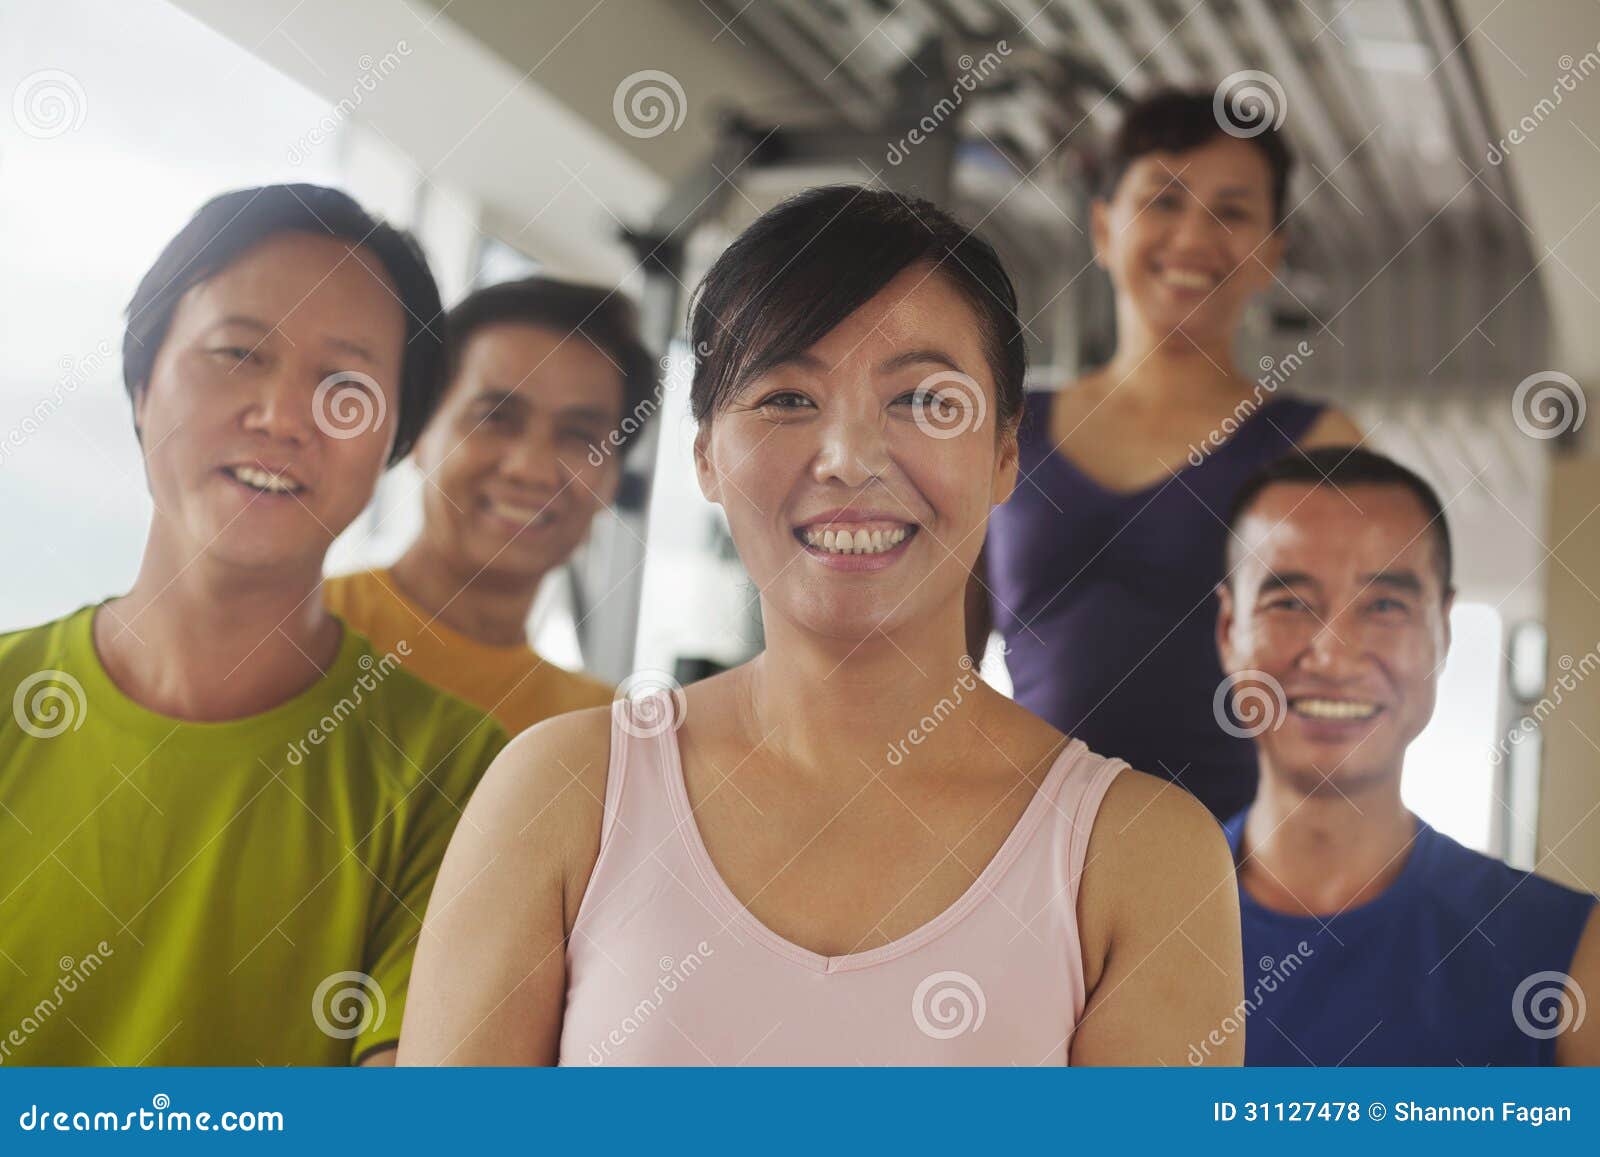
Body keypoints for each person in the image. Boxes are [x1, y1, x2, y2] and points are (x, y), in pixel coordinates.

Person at [397, 186, 1243, 1067]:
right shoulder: (562, 794)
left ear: (1002, 453)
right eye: (788, 398)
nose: (849, 460)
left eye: (925, 401)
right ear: (705, 457)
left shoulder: (1140, 859)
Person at [0, 185, 506, 1066]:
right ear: (140, 383)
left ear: (394, 442)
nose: (281, 416)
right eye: (237, 353)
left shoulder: (463, 779)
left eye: (346, 385)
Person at [977, 89, 1363, 822]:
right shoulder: (1008, 428)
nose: (1194, 236)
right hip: (1027, 857)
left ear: (1271, 252)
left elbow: (1345, 685)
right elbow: (941, 666)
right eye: (1164, 200)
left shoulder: (1318, 446)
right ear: (1102, 227)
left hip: (1233, 879)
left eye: (1233, 211)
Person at [1215, 447, 1598, 1065]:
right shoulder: (1126, 933)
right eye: (1288, 603)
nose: (1333, 657)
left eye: (1386, 606)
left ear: (1443, 632)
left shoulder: (1570, 952)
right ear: (1228, 630)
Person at [325, 278, 657, 734]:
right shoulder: (294, 639)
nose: (532, 470)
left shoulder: (604, 734)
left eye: (579, 436)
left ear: (612, 478)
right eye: (496, 418)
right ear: (419, 431)